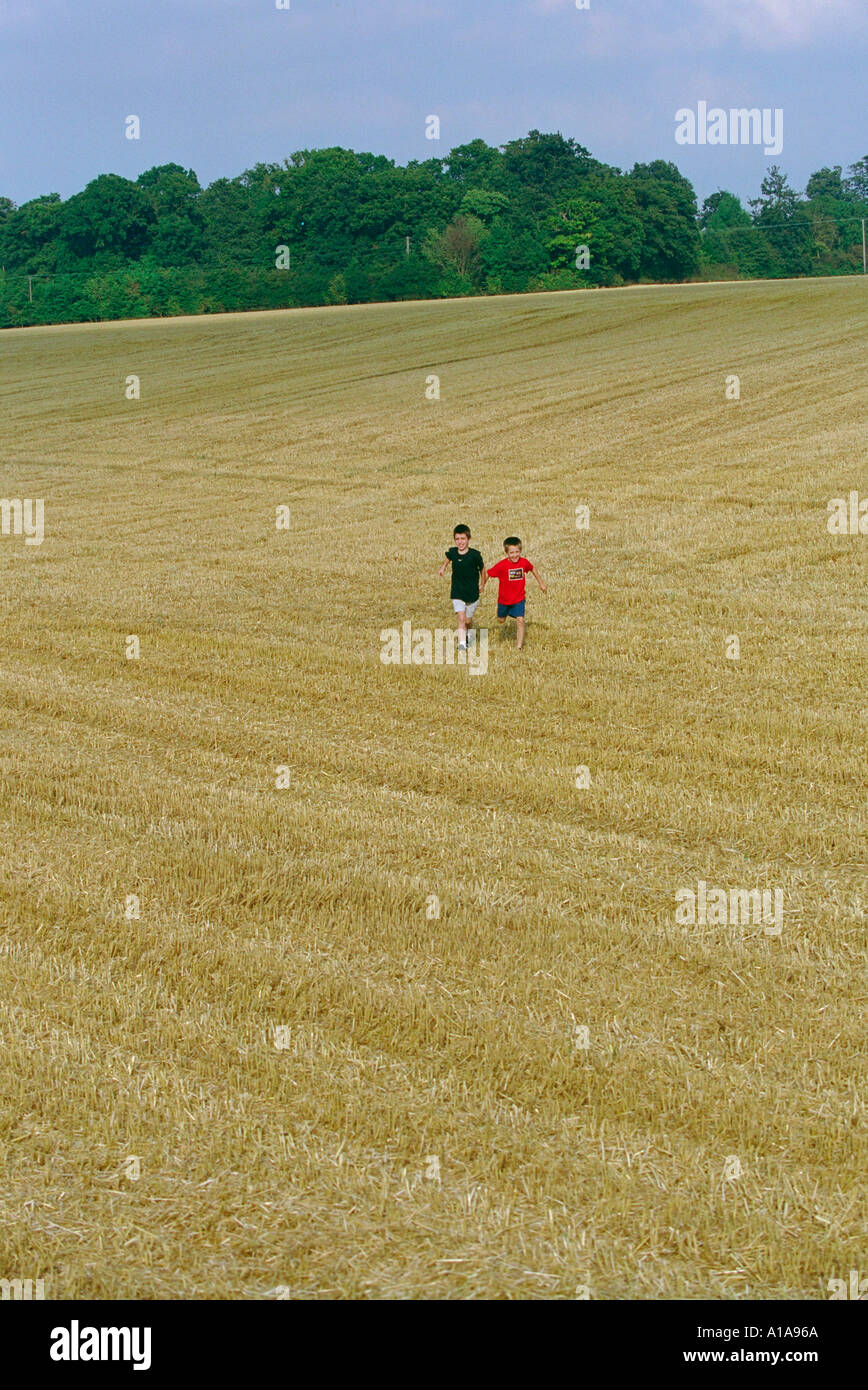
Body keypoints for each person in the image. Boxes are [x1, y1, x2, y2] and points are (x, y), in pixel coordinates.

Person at [486, 535, 546, 649]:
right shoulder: (502, 565)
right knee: (501, 620)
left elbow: (532, 569)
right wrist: (481, 585)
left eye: (517, 552)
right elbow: (488, 573)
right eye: (511, 553)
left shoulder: (523, 562)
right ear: (507, 553)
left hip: (519, 599)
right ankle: (506, 613)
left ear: (520, 551)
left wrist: (541, 583)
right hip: (504, 600)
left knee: (520, 620)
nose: (514, 555)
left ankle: (519, 647)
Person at [438, 524, 486, 651]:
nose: (460, 542)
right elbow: (448, 558)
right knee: (461, 617)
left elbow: (482, 569)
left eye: (463, 538)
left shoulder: (475, 555)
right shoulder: (453, 552)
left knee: (468, 621)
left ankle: (469, 633)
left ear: (469, 539)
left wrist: (482, 584)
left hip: (471, 593)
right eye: (457, 539)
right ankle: (462, 644)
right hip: (457, 592)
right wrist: (443, 567)